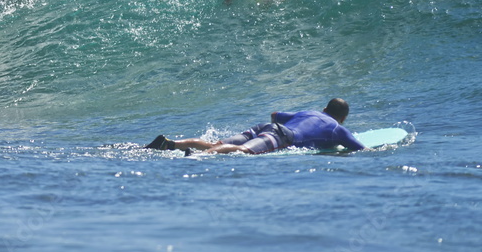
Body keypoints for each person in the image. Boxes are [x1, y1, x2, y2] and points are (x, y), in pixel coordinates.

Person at [145, 98, 364, 155]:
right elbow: (361, 149)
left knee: (216, 144)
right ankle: (198, 156)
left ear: (324, 109)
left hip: (264, 127)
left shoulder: (309, 112)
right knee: (243, 151)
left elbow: (275, 115)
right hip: (281, 136)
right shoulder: (337, 129)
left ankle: (170, 144)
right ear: (343, 118)